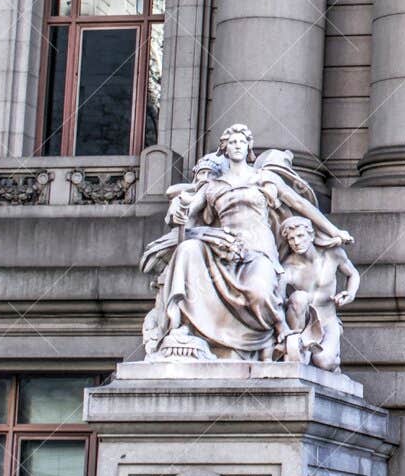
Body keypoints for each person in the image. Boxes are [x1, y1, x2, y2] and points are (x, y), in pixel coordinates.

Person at [144, 124, 352, 361]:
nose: (236, 146)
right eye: (231, 142)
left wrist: (334, 230)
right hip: (222, 249)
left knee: (260, 291)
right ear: (224, 148)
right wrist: (179, 212)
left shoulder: (263, 178)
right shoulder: (213, 186)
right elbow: (188, 220)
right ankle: (179, 326)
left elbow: (301, 205)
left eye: (241, 142)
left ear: (248, 147)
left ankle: (280, 327)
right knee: (187, 249)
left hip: (258, 248)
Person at [279, 216, 357, 371]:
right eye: (291, 239)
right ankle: (299, 344)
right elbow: (279, 300)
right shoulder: (288, 267)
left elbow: (353, 274)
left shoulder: (333, 254)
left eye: (300, 236)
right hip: (304, 322)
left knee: (324, 362)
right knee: (299, 297)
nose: (296, 242)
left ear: (311, 236)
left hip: (328, 320)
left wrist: (350, 293)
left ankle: (333, 361)